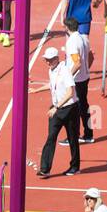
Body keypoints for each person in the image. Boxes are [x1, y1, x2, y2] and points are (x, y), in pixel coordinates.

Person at [37, 47, 80, 177]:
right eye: (46, 60)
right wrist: (37, 89)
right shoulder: (51, 70)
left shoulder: (65, 71)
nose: (47, 62)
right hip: (57, 108)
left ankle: (75, 167)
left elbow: (70, 92)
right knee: (51, 137)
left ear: (56, 59)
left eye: (50, 60)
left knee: (72, 139)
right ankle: (45, 168)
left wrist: (56, 107)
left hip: (69, 109)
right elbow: (52, 85)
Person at [62, 16, 94, 143]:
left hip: (76, 79)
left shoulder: (71, 42)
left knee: (73, 109)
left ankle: (74, 136)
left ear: (67, 28)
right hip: (84, 77)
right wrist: (87, 70)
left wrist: (67, 77)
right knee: (84, 106)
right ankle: (88, 134)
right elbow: (91, 57)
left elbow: (77, 63)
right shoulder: (84, 39)